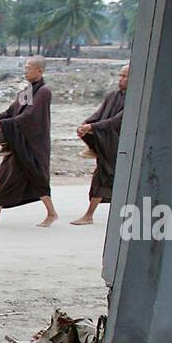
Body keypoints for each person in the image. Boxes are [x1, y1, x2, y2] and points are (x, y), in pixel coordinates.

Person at [0, 55, 57, 227]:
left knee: (37, 178)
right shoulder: (27, 90)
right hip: (18, 143)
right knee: (4, 176)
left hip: (33, 144)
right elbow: (12, 111)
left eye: (28, 68)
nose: (25, 70)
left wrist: (3, 124)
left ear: (39, 71)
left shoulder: (44, 92)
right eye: (25, 67)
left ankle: (51, 214)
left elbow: (30, 117)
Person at [71, 63, 129, 225]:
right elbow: (99, 114)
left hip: (119, 145)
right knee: (102, 178)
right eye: (120, 75)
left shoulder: (135, 99)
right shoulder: (112, 96)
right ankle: (89, 215)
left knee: (112, 179)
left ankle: (90, 215)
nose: (121, 79)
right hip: (106, 145)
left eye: (125, 76)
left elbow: (117, 121)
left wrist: (93, 127)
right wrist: (86, 124)